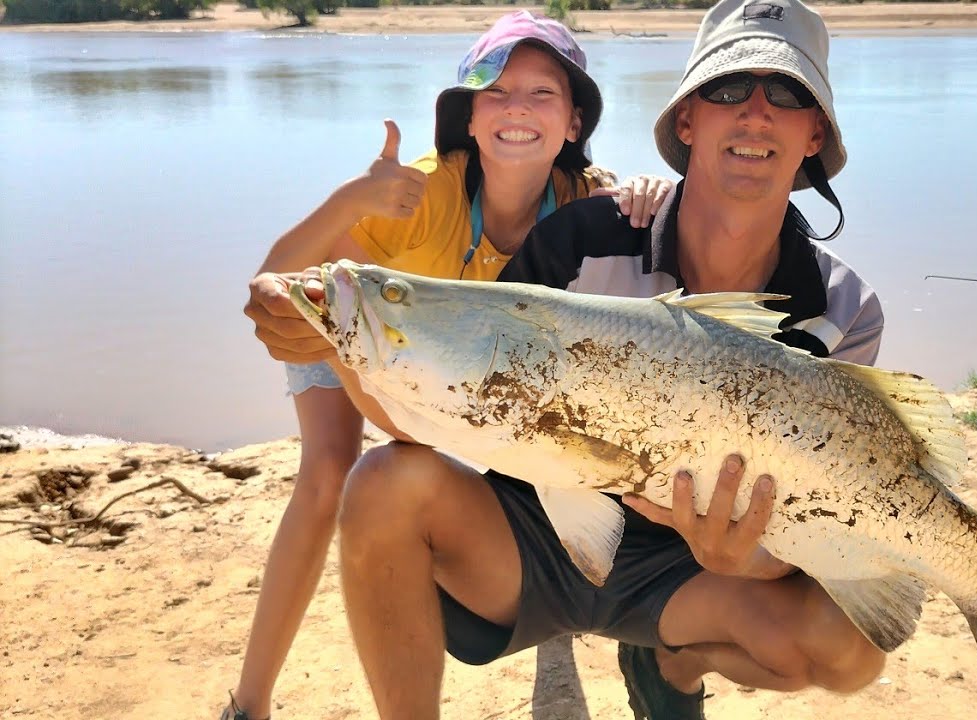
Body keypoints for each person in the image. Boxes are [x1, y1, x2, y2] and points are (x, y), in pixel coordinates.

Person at [243, 1, 887, 718]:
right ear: (686, 119)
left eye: (789, 94)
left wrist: (750, 558)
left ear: (816, 132)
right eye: (729, 90)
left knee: (853, 648)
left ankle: (673, 664)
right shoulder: (579, 235)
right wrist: (343, 339)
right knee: (377, 482)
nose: (757, 114)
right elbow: (455, 406)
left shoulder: (846, 311)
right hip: (530, 548)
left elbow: (831, 526)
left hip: (692, 579)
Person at [225, 11, 672, 720]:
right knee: (327, 475)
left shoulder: (584, 199)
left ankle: (556, 619)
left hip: (436, 358)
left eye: (541, 94)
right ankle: (247, 703)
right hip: (340, 319)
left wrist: (653, 193)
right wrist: (353, 200)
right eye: (494, 91)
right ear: (466, 119)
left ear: (575, 123)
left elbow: (657, 229)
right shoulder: (424, 191)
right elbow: (275, 275)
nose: (516, 109)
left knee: (536, 440)